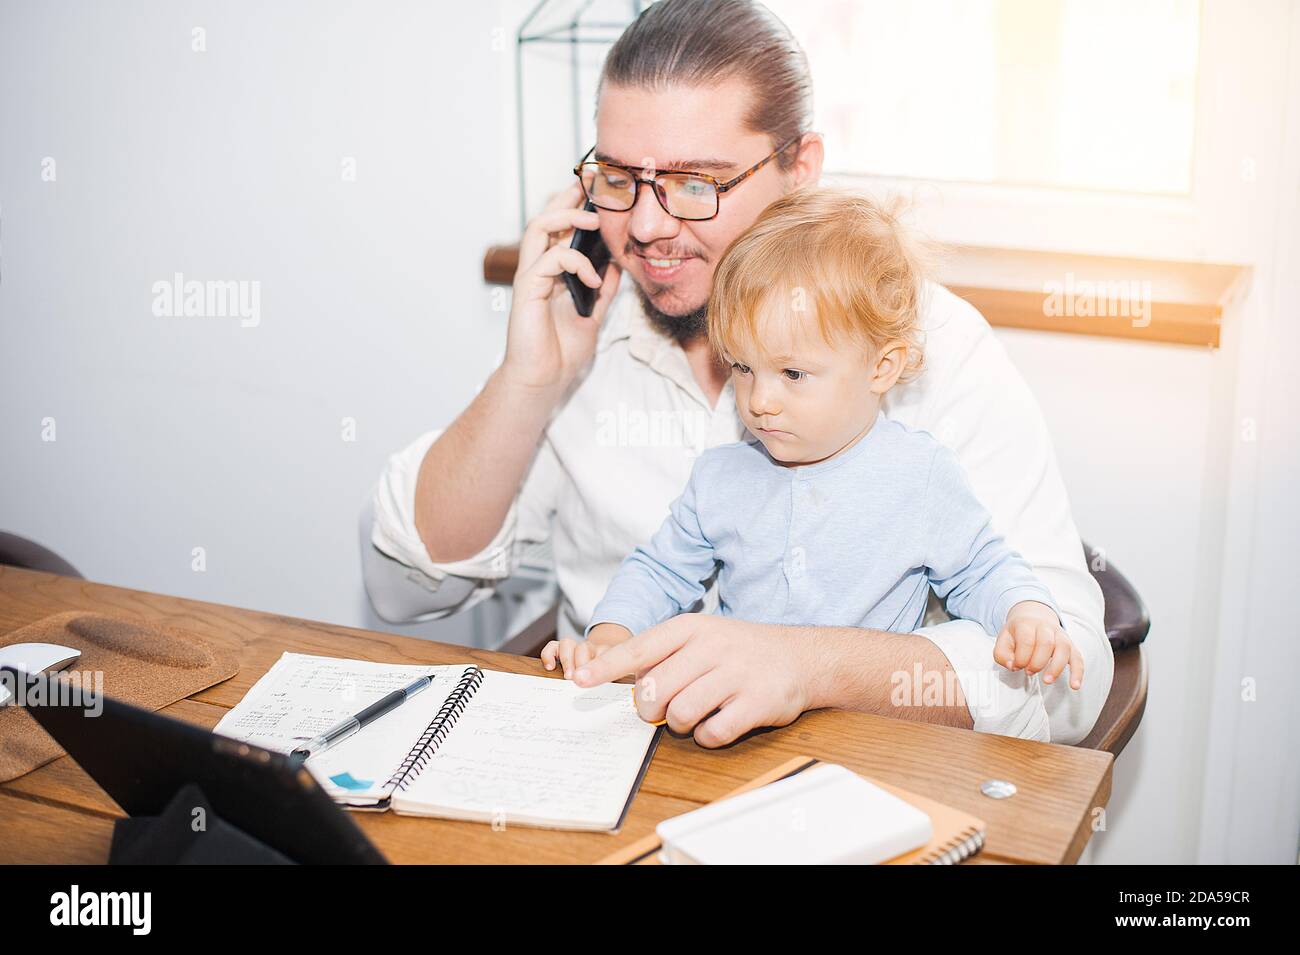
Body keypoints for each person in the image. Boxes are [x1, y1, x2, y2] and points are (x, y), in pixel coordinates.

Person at [366, 0, 1111, 745]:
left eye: (696, 183)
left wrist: (812, 666)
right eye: (621, 178)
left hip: (864, 789)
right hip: (616, 772)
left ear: (800, 170)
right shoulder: (582, 335)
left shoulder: (926, 342)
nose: (650, 227)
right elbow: (402, 589)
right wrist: (528, 382)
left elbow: (1072, 684)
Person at [540, 187, 1086, 709]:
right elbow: (660, 571)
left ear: (882, 367)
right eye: (744, 368)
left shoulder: (918, 474)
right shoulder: (721, 476)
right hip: (739, 723)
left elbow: (981, 569)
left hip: (871, 732)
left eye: (793, 373)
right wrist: (612, 635)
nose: (760, 402)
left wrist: (1027, 613)